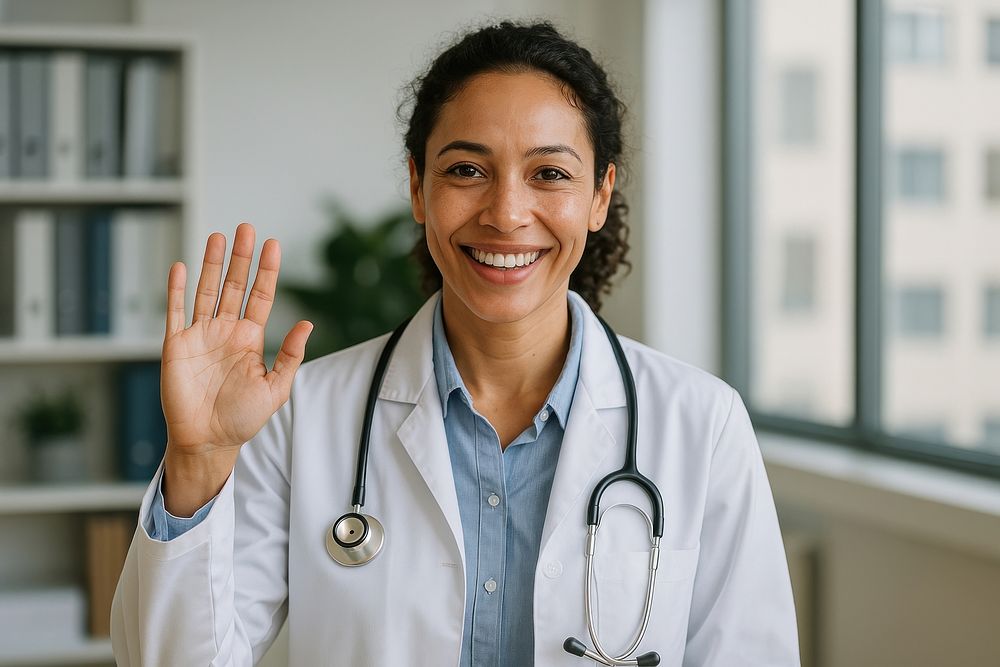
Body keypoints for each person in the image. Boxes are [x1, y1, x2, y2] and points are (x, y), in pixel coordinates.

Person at [111, 21, 799, 667]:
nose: (505, 212)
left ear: (599, 194)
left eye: (550, 173)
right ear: (417, 185)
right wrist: (197, 465)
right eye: (467, 170)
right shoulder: (303, 416)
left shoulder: (701, 424)